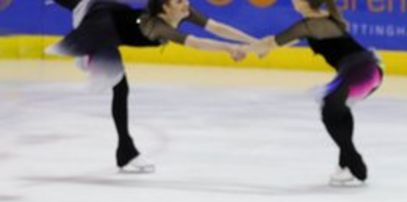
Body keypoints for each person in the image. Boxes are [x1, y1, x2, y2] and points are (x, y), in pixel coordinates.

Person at [47, 0, 254, 172]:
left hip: (107, 16)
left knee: (120, 88)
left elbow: (216, 27)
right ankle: (89, 57)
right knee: (118, 83)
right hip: (100, 27)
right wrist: (229, 48)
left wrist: (253, 42)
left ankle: (125, 152)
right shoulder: (156, 27)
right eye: (179, 1)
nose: (186, 4)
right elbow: (196, 42)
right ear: (166, 8)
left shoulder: (182, 11)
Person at [248, 0, 382, 185]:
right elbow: (289, 41)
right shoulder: (320, 21)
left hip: (360, 72)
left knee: (330, 108)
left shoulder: (308, 25)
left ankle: (352, 159)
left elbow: (274, 41)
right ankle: (345, 164)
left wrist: (240, 49)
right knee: (337, 108)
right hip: (368, 71)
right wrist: (265, 48)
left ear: (305, 3)